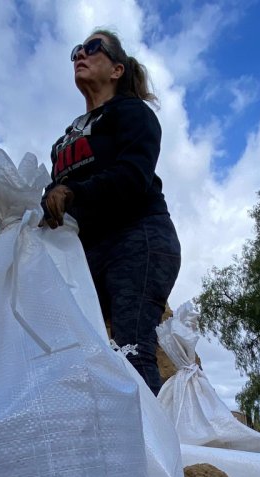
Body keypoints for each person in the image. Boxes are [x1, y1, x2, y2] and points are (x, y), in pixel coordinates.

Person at [41, 29, 180, 396]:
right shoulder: (65, 139)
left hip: (138, 238)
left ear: (117, 70)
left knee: (131, 348)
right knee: (74, 354)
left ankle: (150, 435)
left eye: (92, 48)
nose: (79, 55)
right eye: (76, 50)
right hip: (86, 252)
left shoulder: (132, 113)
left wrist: (74, 192)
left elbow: (133, 176)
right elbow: (58, 193)